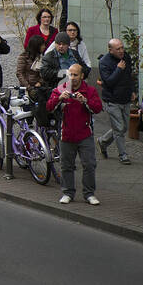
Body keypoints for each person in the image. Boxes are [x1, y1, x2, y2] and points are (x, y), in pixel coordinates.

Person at [47, 63, 104, 205]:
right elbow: (48, 107)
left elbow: (98, 108)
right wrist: (59, 98)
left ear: (82, 76)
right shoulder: (61, 89)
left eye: (75, 75)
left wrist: (85, 101)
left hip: (85, 134)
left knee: (89, 164)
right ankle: (67, 193)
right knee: (66, 165)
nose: (72, 78)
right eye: (70, 75)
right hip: (66, 134)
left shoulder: (89, 91)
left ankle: (89, 194)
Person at [96, 38, 135, 164]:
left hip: (125, 98)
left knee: (124, 127)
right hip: (112, 99)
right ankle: (123, 154)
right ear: (110, 50)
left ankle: (102, 141)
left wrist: (133, 90)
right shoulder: (104, 62)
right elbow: (108, 82)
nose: (121, 51)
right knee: (119, 128)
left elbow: (129, 75)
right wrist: (118, 69)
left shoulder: (126, 57)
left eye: (122, 47)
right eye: (118, 49)